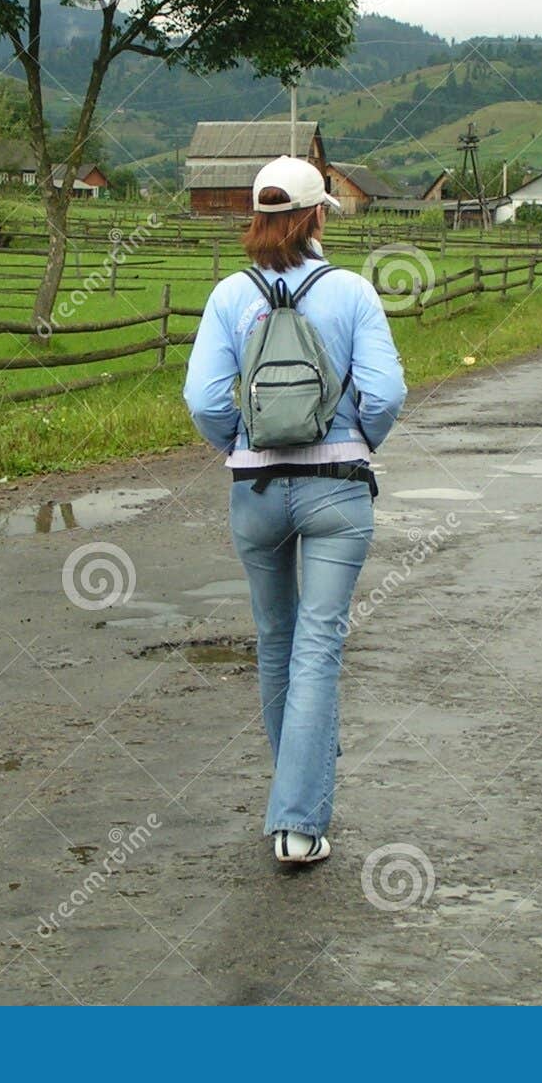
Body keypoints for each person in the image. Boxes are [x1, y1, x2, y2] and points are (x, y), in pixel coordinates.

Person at [183, 156, 407, 865]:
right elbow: (387, 392)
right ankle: (300, 822)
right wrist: (354, 444)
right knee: (319, 645)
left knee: (276, 641)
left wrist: (243, 447)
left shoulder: (228, 295)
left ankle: (294, 803)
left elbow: (205, 402)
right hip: (337, 487)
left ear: (257, 216)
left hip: (253, 492)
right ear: (315, 217)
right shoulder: (351, 291)